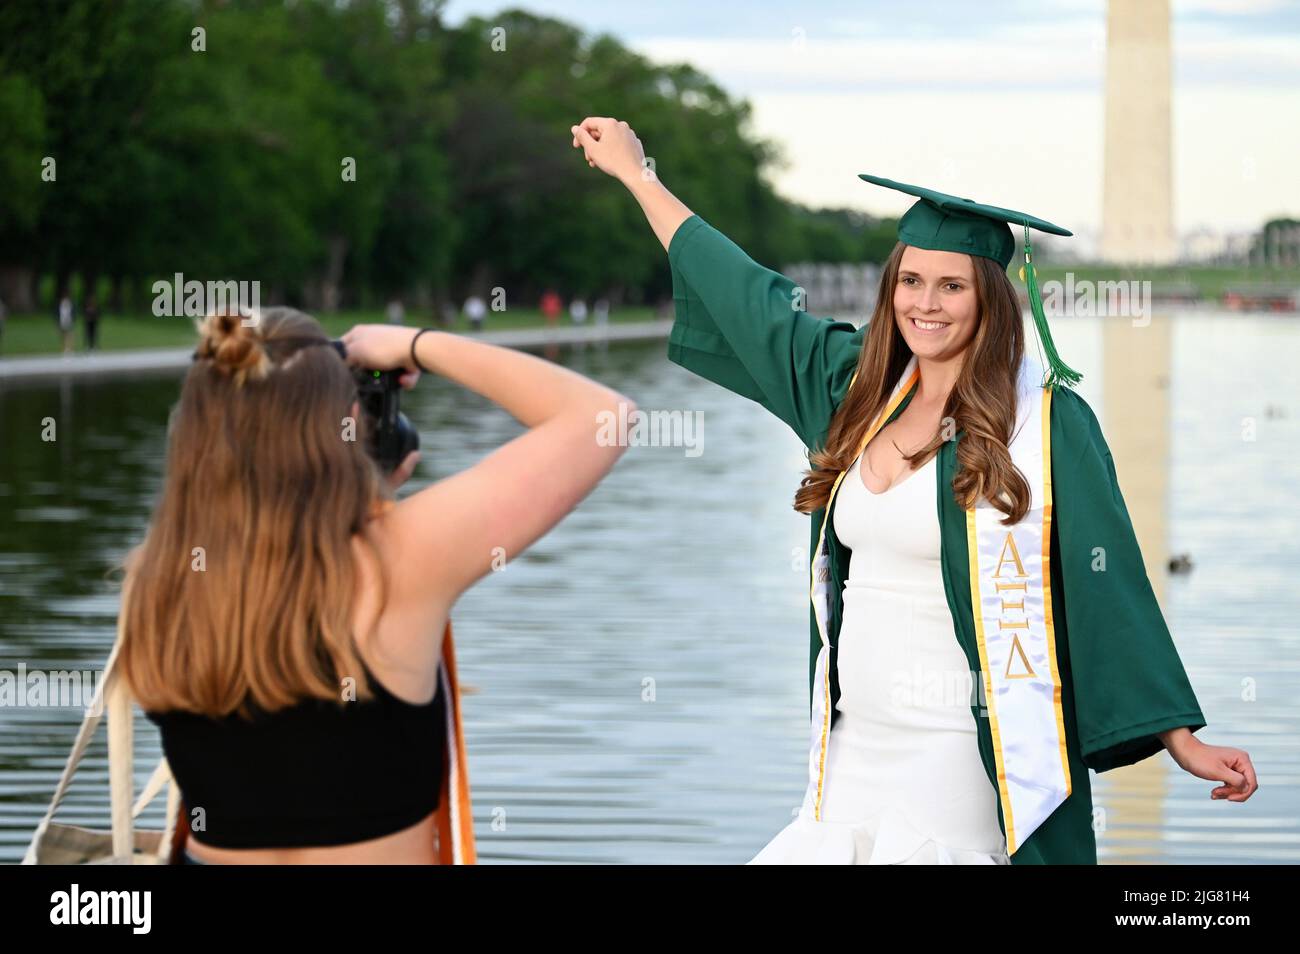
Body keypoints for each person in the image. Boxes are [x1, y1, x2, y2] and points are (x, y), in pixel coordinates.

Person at [571, 116, 1258, 865]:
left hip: (958, 755)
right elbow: (750, 300)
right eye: (911, 280)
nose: (926, 304)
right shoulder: (855, 392)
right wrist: (640, 177)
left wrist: (1178, 735)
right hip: (848, 749)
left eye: (952, 285)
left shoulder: (1046, 427)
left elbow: (1108, 580)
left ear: (990, 297)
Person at [116, 306, 636, 864]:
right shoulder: (404, 558)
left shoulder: (156, 577)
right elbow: (604, 416)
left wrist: (362, 496)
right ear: (340, 426)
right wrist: (412, 344)